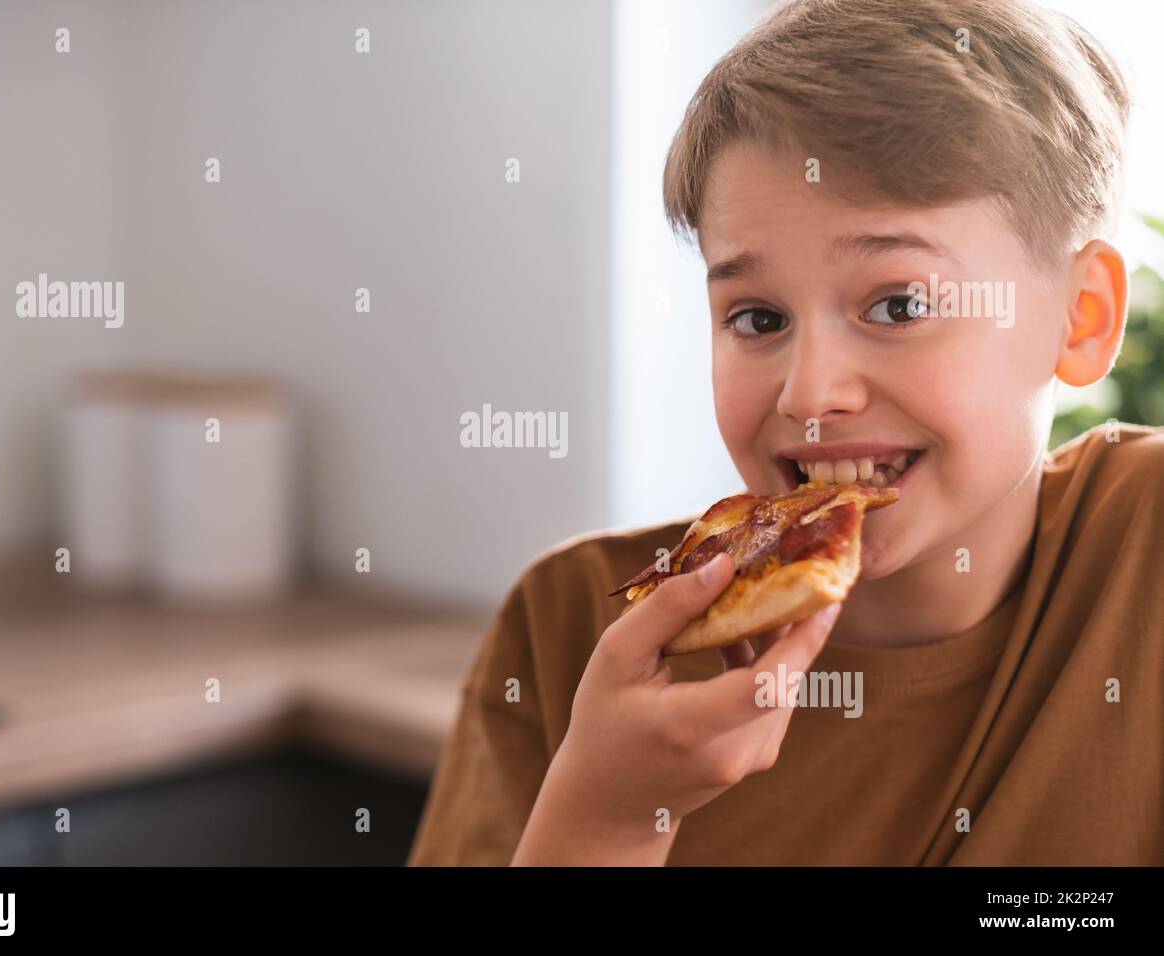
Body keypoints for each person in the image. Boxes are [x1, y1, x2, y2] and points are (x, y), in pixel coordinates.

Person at [408, 0, 1163, 866]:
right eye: (758, 317)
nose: (810, 392)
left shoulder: (1146, 549)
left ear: (1082, 317)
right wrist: (608, 818)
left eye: (899, 305)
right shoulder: (568, 626)